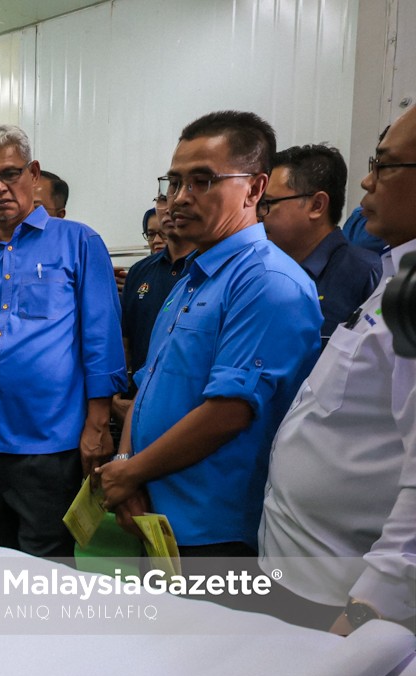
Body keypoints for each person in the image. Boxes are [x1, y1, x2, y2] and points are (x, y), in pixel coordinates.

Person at [97, 110, 322, 560]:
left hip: (216, 530)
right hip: (156, 514)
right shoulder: (192, 279)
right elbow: (148, 386)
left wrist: (130, 473)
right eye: (174, 182)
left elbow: (230, 412)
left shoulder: (268, 282)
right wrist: (126, 467)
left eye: (201, 181)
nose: (179, 198)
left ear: (255, 189)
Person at [259, 107, 416, 634]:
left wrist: (370, 607)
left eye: (386, 165)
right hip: (300, 568)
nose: (367, 180)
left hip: (342, 596)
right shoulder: (396, 275)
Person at [0, 124, 125, 557]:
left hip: (50, 445)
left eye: (10, 173)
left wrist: (97, 426)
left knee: (46, 570)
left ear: (34, 173)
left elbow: (101, 340)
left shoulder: (79, 241)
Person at [259, 144, 382, 341]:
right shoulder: (261, 269)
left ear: (317, 205)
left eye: (267, 204)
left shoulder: (364, 274)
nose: (258, 214)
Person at [113, 197, 193, 426]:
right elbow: (125, 340)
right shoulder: (140, 271)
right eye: (150, 234)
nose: (168, 208)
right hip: (139, 396)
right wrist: (115, 397)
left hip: (185, 403)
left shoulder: (207, 268)